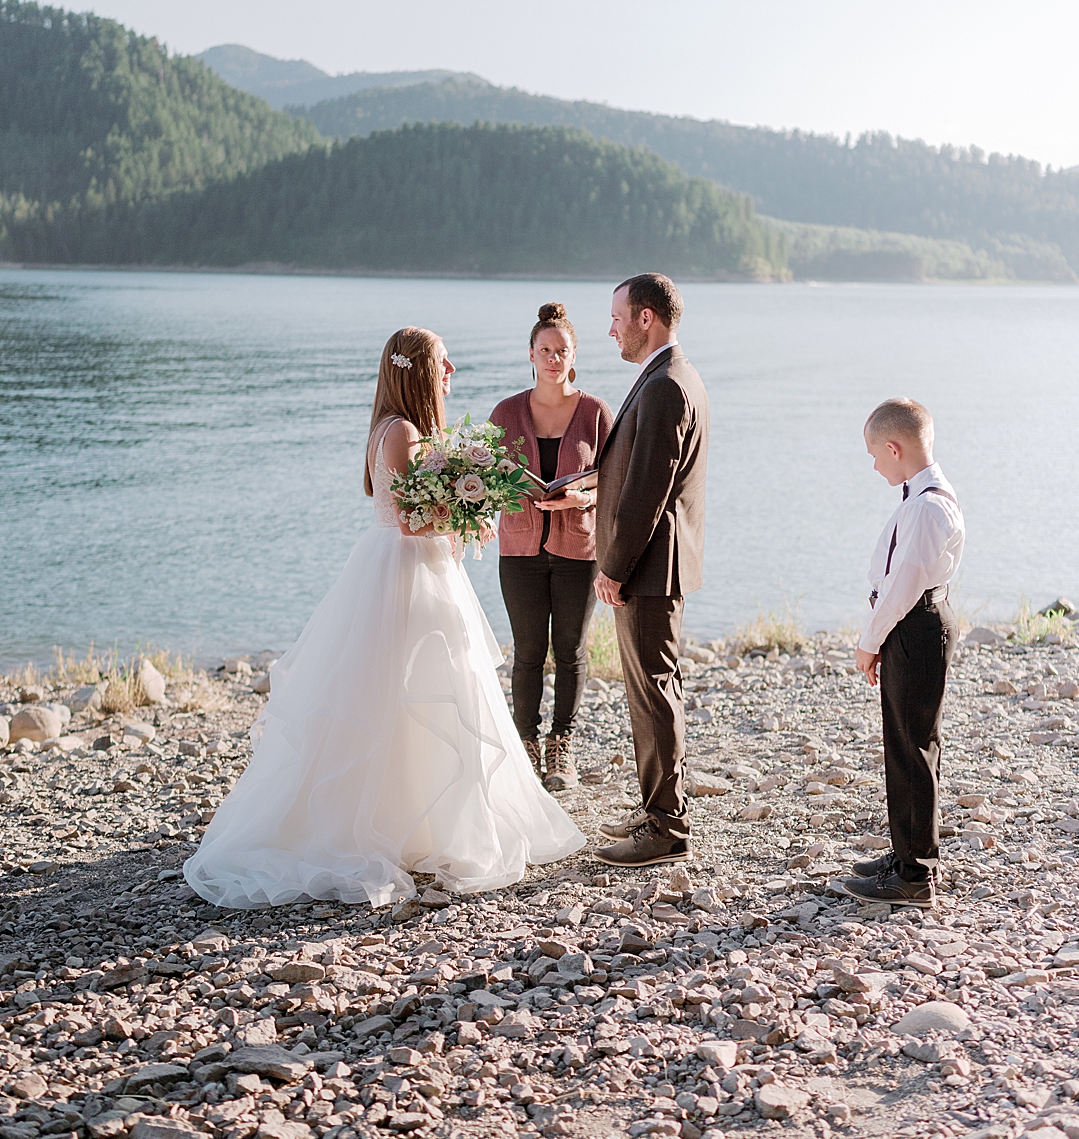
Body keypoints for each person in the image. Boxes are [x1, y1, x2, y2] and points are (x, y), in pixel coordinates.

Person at [184, 326, 586, 909]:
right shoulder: (399, 432)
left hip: (424, 573)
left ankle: (427, 818)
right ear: (420, 369)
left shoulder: (415, 430)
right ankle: (375, 824)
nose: (452, 373)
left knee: (431, 694)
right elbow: (410, 522)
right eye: (445, 363)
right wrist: (469, 507)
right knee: (392, 696)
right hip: (401, 571)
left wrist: (468, 505)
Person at [591, 274, 708, 868]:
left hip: (648, 567)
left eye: (617, 317)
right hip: (655, 565)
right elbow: (631, 475)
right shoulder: (668, 377)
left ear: (646, 318)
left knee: (653, 693)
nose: (610, 328)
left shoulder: (665, 386)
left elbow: (648, 492)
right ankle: (658, 808)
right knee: (652, 691)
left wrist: (612, 566)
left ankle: (666, 827)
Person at [835, 397, 965, 908]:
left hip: (916, 626)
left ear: (894, 448)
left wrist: (869, 642)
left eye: (874, 455)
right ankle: (905, 853)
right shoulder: (922, 497)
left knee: (912, 748)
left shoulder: (928, 506)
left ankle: (914, 874)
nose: (873, 465)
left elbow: (905, 583)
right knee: (904, 743)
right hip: (912, 625)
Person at [490, 303, 614, 792]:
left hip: (578, 547)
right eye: (545, 350)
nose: (553, 358)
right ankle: (525, 742)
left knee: (571, 649)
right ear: (531, 354)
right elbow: (486, 473)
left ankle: (562, 745)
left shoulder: (596, 412)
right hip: (518, 547)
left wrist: (585, 495)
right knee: (526, 651)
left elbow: (613, 477)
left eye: (561, 350)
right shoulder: (506, 412)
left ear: (574, 355)